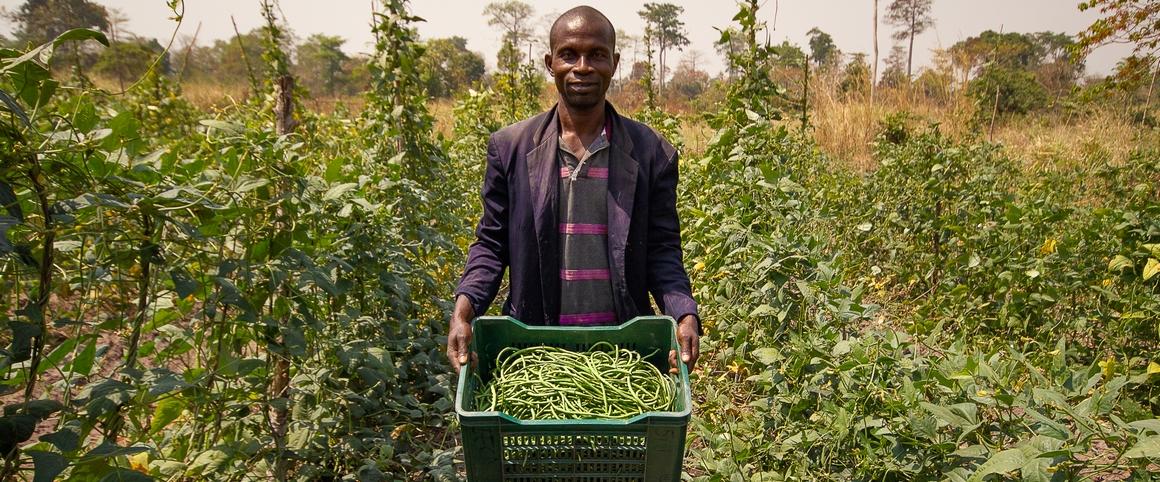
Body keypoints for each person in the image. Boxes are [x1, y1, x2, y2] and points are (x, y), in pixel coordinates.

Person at [447, 5, 701, 373]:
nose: (582, 66)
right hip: (534, 351)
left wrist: (684, 314)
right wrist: (463, 311)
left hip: (623, 356)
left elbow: (662, 251)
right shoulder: (511, 149)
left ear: (614, 62)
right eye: (569, 54)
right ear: (550, 63)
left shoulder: (651, 154)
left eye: (596, 54)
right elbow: (491, 242)